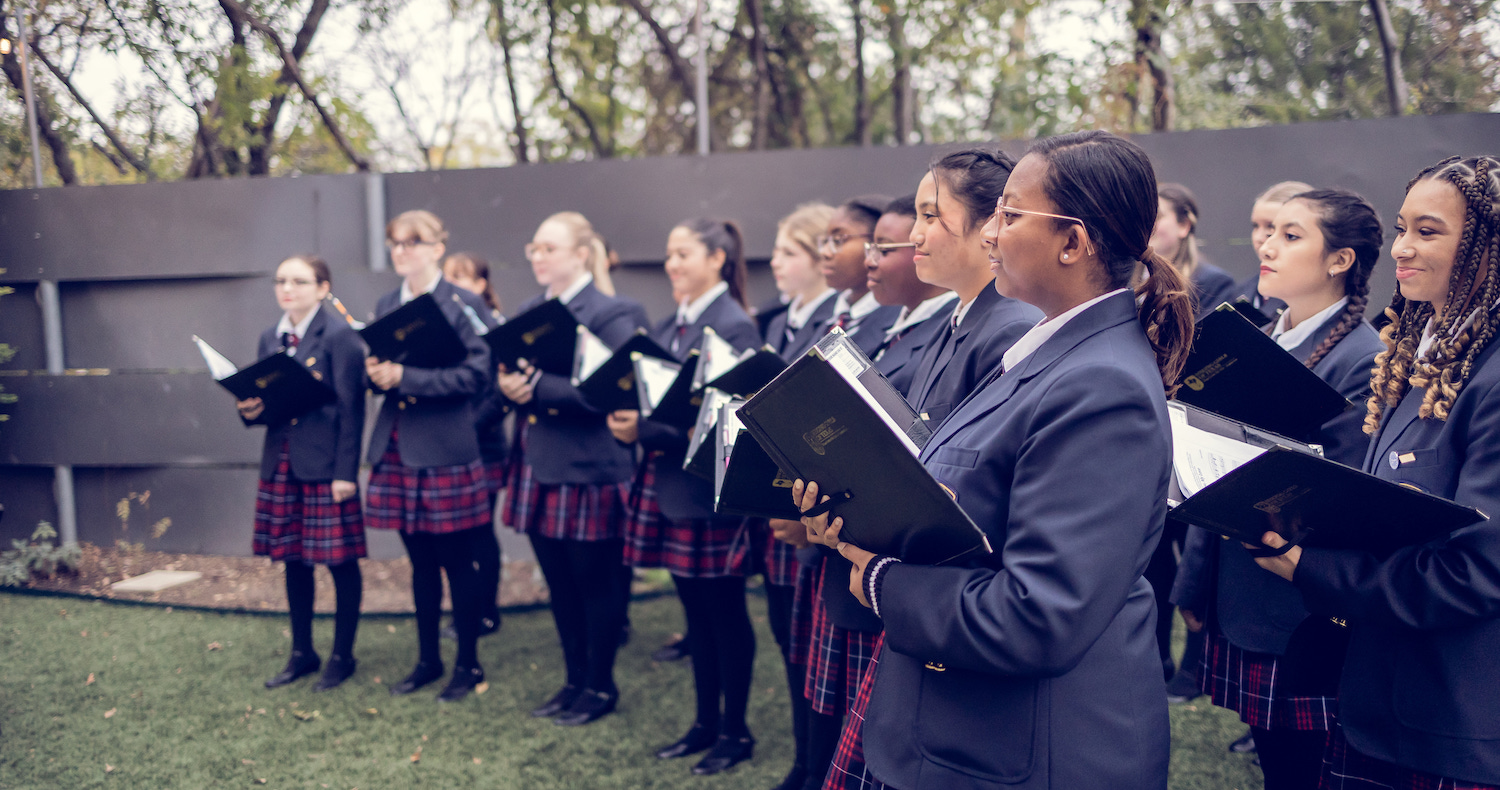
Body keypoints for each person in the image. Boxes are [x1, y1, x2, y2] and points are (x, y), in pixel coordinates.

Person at [813, 129, 1192, 790]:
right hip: (971, 726)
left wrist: (880, 579)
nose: (990, 233)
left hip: (1028, 748)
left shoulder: (1101, 387)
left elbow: (1038, 616)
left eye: (1011, 215)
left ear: (1073, 243)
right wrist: (865, 516)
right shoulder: (1051, 352)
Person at [1253, 155, 1500, 789]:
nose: (1402, 249)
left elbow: (1475, 572)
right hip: (1379, 697)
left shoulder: (1491, 376)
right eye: (1400, 229)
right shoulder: (1422, 356)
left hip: (1444, 719)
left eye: (1428, 231)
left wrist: (1313, 567)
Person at [1172, 189, 1385, 789]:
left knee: (1304, 775)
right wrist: (1194, 582)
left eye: (1292, 236)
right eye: (1269, 233)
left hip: (1296, 610)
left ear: (1339, 260)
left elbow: (1339, 498)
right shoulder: (1254, 338)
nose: (1267, 246)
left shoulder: (1362, 360)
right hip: (1236, 595)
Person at [609, 218, 762, 776]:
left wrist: (644, 430)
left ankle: (735, 731)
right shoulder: (676, 322)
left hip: (708, 495)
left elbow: (727, 425)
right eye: (669, 254)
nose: (671, 264)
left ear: (717, 259)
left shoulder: (733, 326)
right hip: (673, 488)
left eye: (682, 254)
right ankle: (704, 724)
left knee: (723, 614)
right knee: (696, 616)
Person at [498, 212, 647, 726]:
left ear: (582, 253)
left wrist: (536, 386)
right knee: (559, 584)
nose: (538, 257)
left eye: (549, 248)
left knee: (596, 583)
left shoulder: (613, 311)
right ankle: (573, 680)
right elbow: (515, 373)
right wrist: (510, 388)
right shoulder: (530, 309)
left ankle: (600, 687)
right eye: (534, 248)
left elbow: (611, 387)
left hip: (590, 467)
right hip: (539, 462)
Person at [364, 210, 494, 702]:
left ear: (438, 247)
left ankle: (467, 664)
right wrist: (376, 373)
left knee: (458, 562)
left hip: (445, 449)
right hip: (398, 444)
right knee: (418, 563)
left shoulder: (463, 301)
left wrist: (406, 378)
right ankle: (427, 661)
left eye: (414, 241)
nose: (403, 250)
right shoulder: (385, 301)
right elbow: (379, 367)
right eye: (395, 242)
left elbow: (478, 375)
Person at [239, 255, 367, 692]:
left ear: (322, 287)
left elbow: (353, 410)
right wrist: (250, 409)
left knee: (340, 563)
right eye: (280, 280)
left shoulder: (340, 337)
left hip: (326, 468)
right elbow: (271, 406)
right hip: (282, 464)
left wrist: (345, 473)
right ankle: (302, 653)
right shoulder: (269, 337)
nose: (287, 288)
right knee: (293, 561)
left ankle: (342, 656)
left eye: (298, 280)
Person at [757, 201, 839, 790]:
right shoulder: (776, 320)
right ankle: (801, 761)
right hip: (777, 503)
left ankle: (815, 766)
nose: (776, 263)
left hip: (810, 510)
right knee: (789, 640)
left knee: (811, 650)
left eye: (788, 252)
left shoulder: (834, 323)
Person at [442, 251, 506, 640]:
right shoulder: (449, 328)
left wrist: (467, 427)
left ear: (482, 285)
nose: (455, 287)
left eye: (462, 279)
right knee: (457, 534)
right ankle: (468, 610)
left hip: (485, 446)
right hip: (452, 445)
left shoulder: (495, 327)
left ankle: (488, 611)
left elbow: (500, 396)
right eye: (449, 278)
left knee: (480, 531)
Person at [866, 194, 956, 397]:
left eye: (883, 249)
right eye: (870, 248)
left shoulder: (951, 329)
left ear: (921, 249)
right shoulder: (882, 319)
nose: (869, 262)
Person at [808, 197, 902, 356]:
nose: (824, 252)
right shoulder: (826, 316)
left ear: (876, 244)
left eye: (838, 240)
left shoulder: (898, 321)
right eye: (825, 241)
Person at [1232, 181, 1314, 321]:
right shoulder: (1241, 291)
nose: (1259, 238)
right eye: (1255, 226)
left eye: (1271, 226)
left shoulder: (1313, 301)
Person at [1153, 182, 1238, 318]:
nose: (1148, 223)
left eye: (1157, 216)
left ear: (1184, 225)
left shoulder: (1212, 284)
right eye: (1144, 216)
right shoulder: (1128, 276)